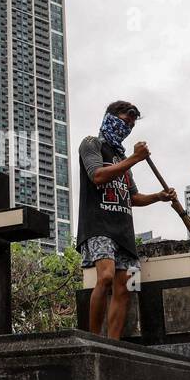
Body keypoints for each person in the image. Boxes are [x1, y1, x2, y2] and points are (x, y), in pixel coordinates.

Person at [77, 101, 175, 339]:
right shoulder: (91, 143)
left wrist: (159, 196)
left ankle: (114, 343)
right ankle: (94, 340)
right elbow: (97, 176)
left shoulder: (122, 160)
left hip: (124, 231)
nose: (127, 127)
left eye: (131, 125)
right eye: (125, 120)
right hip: (98, 225)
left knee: (128, 285)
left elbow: (133, 197)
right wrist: (135, 158)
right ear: (110, 117)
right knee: (106, 276)